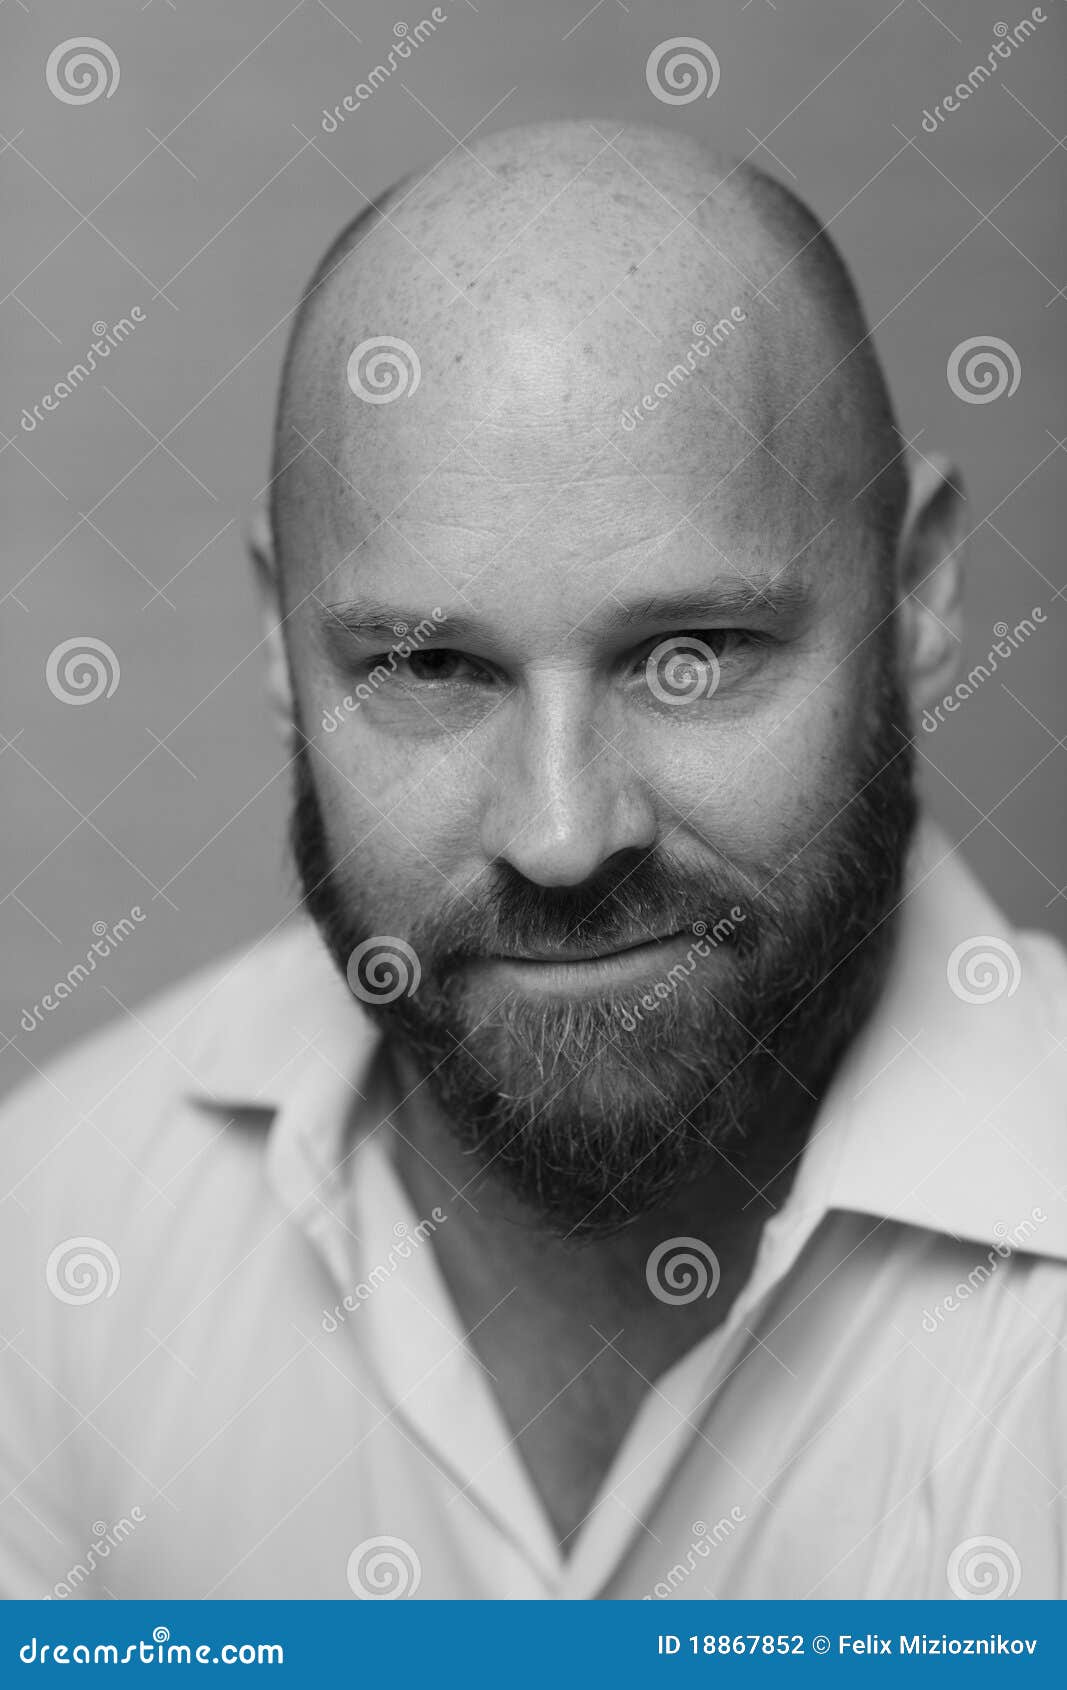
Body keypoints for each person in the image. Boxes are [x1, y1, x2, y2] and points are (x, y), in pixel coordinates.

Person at [1, 120, 1063, 1602]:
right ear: (277, 638)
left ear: (921, 591)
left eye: (690, 657)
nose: (563, 836)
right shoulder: (51, 1240)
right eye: (432, 664)